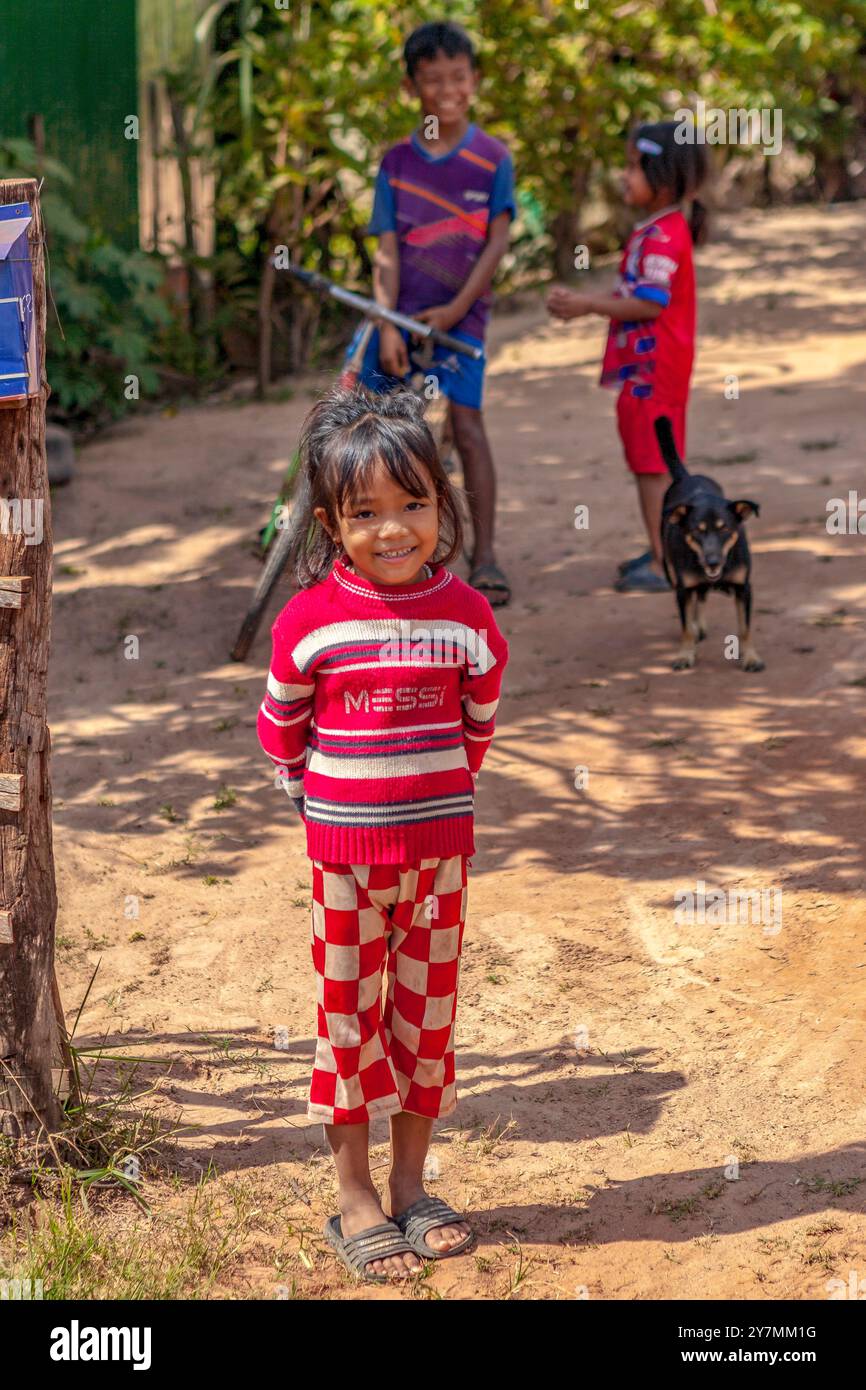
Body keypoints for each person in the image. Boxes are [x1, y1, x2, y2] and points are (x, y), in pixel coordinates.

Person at [256, 386, 509, 1282]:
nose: (394, 529)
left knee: (425, 1023)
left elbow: (480, 718)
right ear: (331, 521)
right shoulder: (310, 623)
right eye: (367, 513)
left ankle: (410, 1185)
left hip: (442, 858)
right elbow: (280, 725)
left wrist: (443, 790)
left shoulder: (467, 617)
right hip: (345, 865)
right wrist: (314, 797)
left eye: (414, 505)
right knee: (349, 1024)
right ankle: (355, 1195)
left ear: (443, 503)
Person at [350, 19, 516, 606]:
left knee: (467, 428)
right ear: (411, 88)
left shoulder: (493, 160)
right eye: (432, 79)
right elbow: (387, 250)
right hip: (402, 315)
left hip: (462, 320)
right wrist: (387, 320)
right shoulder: (396, 163)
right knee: (365, 428)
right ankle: (367, 553)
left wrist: (455, 309)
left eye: (459, 76)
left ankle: (487, 556)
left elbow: (494, 246)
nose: (448, 89)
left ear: (475, 79)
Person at [547, 119, 708, 592]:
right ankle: (663, 546)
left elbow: (649, 302)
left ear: (664, 179)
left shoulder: (661, 236)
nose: (624, 176)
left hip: (652, 375)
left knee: (652, 468)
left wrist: (587, 306)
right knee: (653, 463)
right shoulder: (658, 229)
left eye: (635, 167)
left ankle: (666, 561)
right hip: (651, 373)